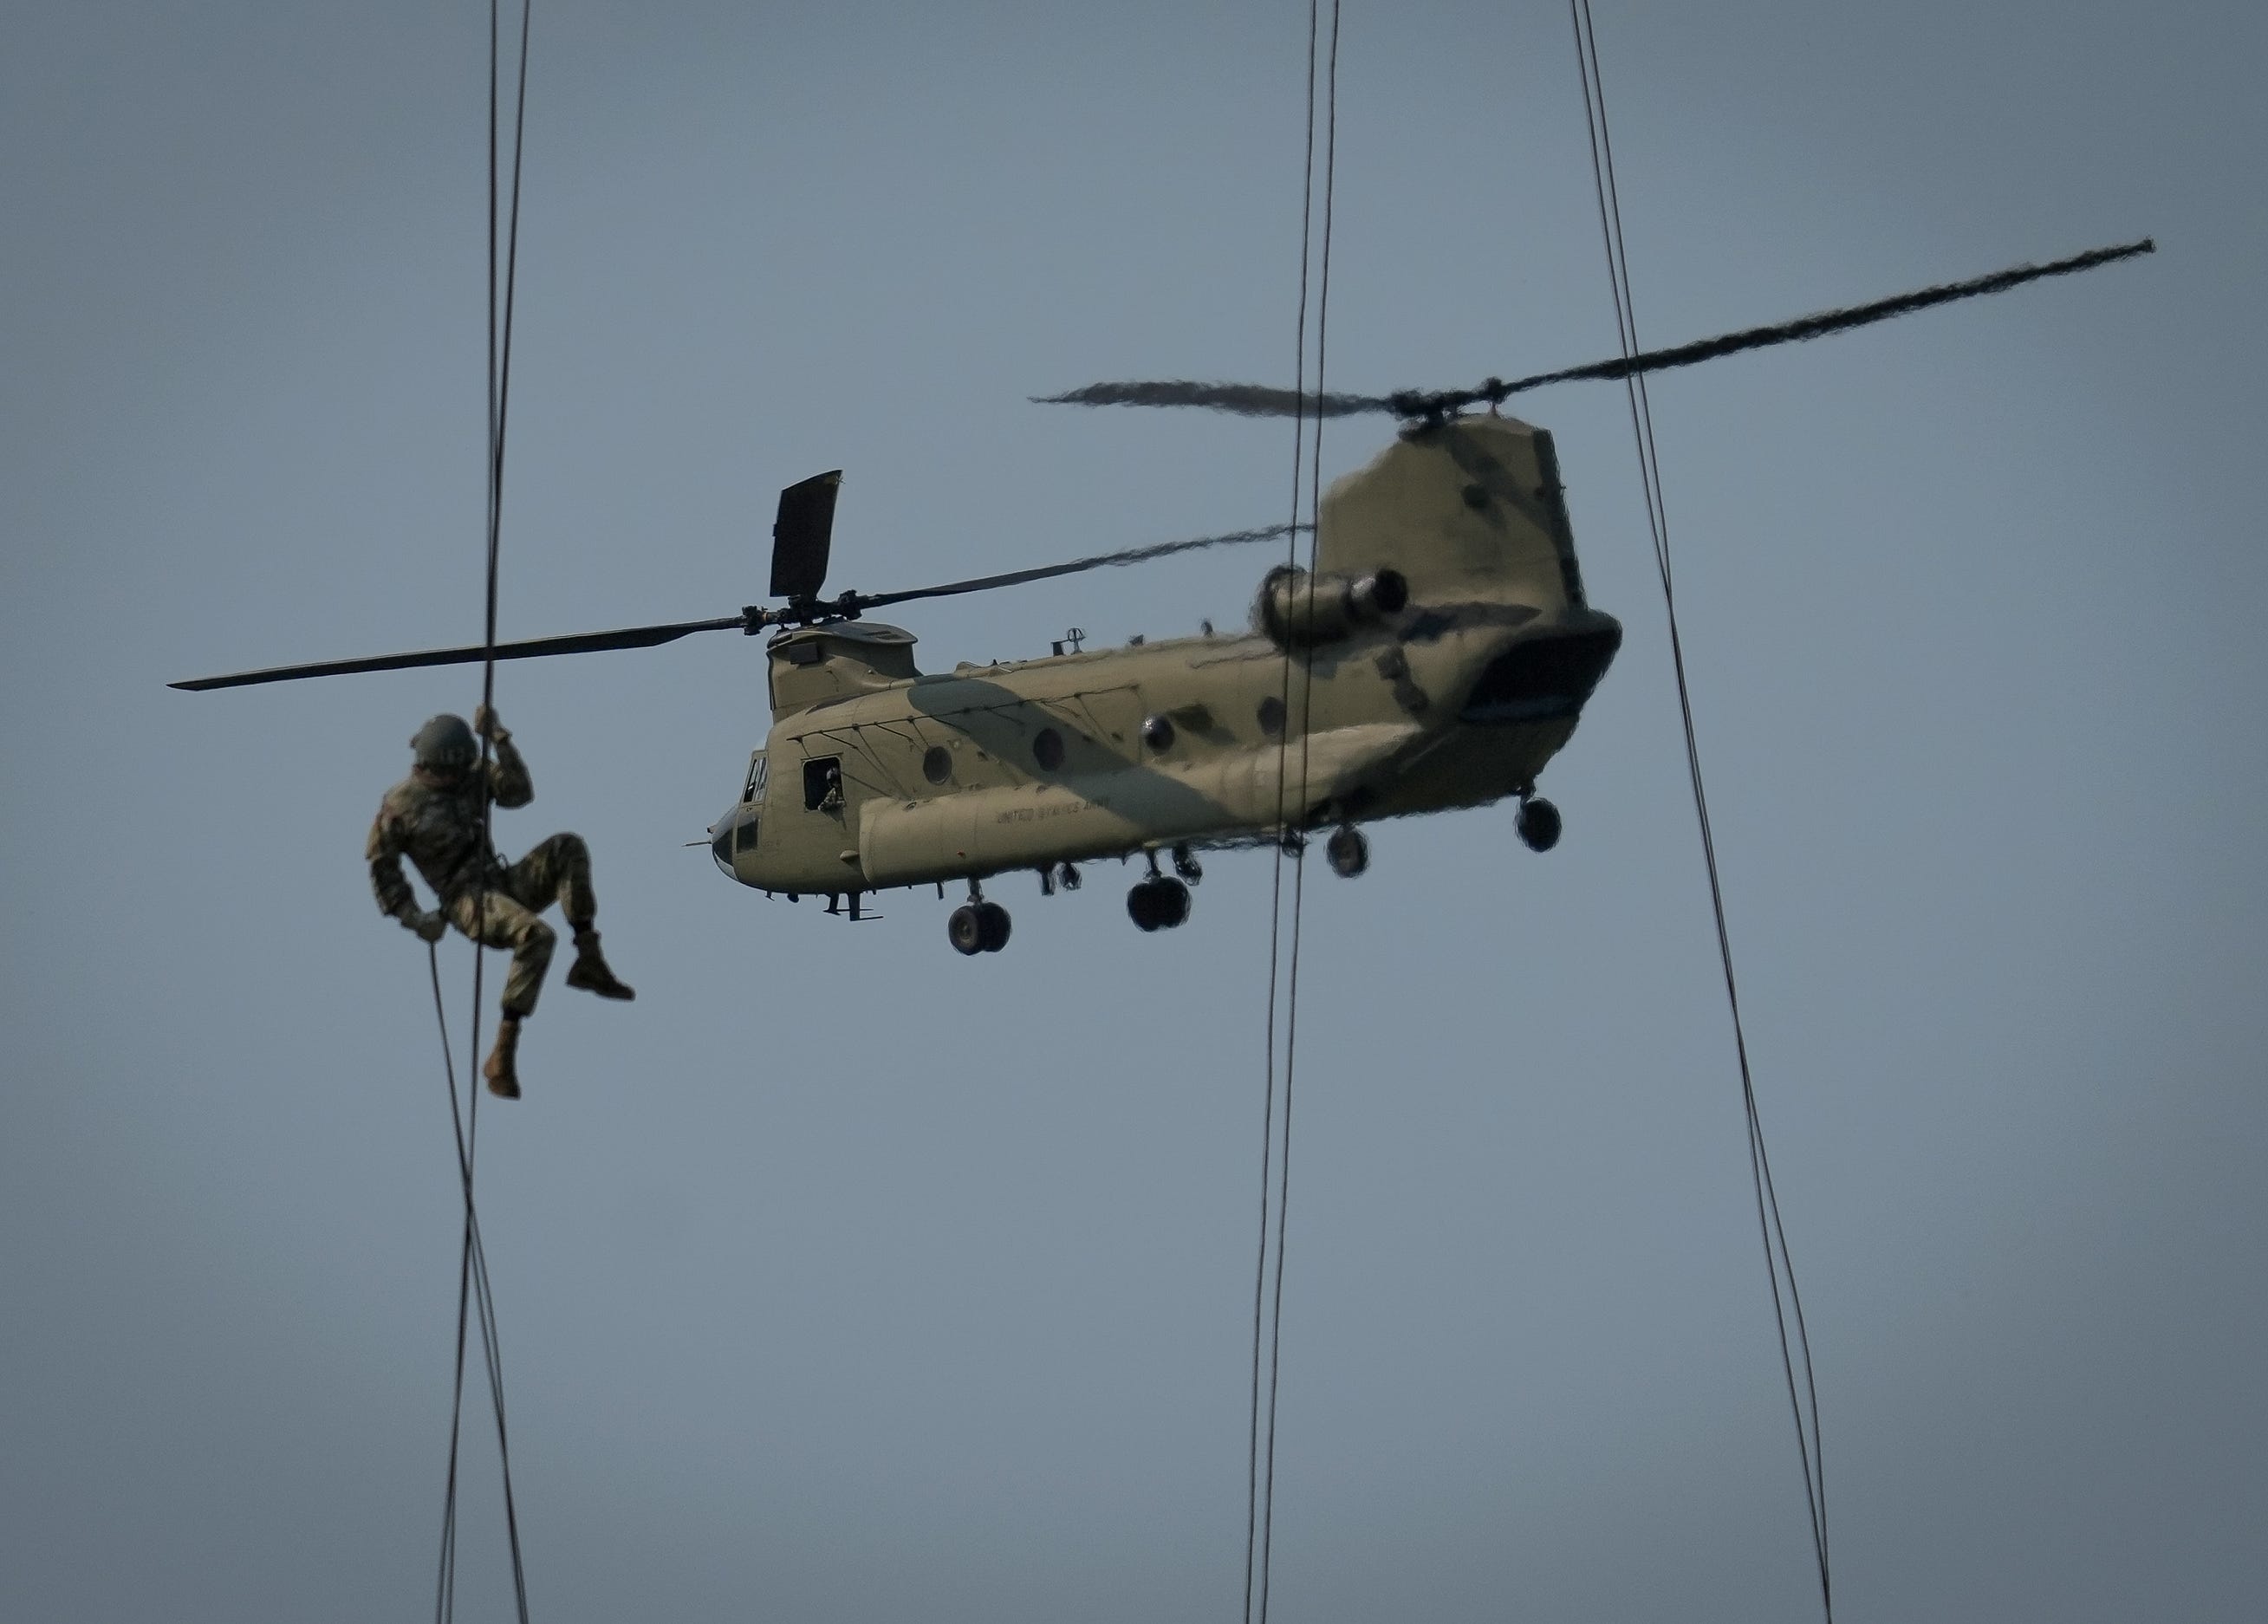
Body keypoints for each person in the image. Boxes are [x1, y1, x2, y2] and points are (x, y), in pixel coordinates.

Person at [367, 706, 633, 1099]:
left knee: (567, 847)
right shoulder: (401, 805)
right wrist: (414, 918)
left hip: (501, 880)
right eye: (450, 774)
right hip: (466, 901)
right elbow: (382, 868)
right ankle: (502, 1053)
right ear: (431, 766)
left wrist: (499, 737)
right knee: (536, 935)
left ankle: (588, 958)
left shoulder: (472, 775)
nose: (458, 780)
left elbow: (519, 792)